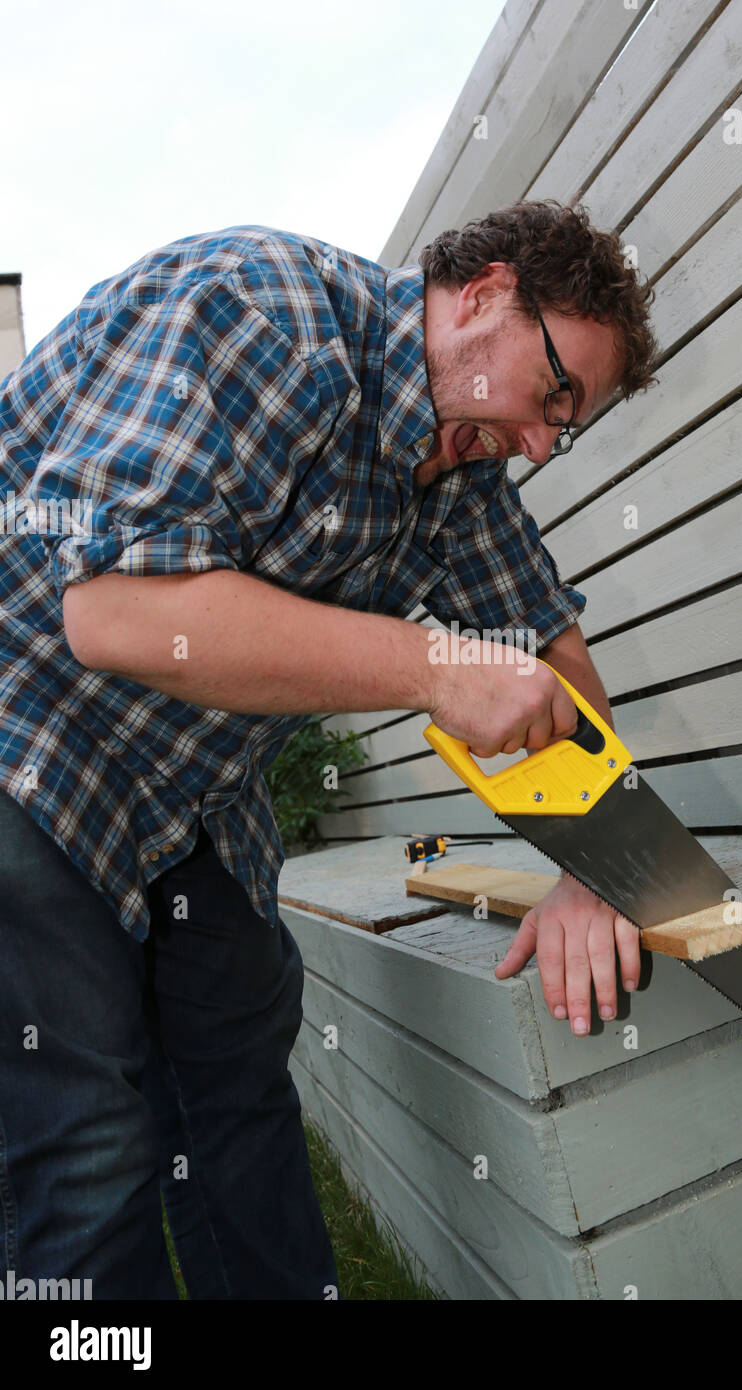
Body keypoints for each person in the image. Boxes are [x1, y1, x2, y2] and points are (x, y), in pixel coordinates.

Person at [0, 199, 657, 1299]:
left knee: (240, 1094)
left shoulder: (461, 477)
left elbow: (554, 668)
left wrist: (599, 870)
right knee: (87, 1139)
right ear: (486, 294)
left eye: (567, 424)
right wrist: (437, 666)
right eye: (551, 394)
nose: (541, 442)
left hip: (191, 795)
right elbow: (113, 611)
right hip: (29, 739)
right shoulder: (263, 313)